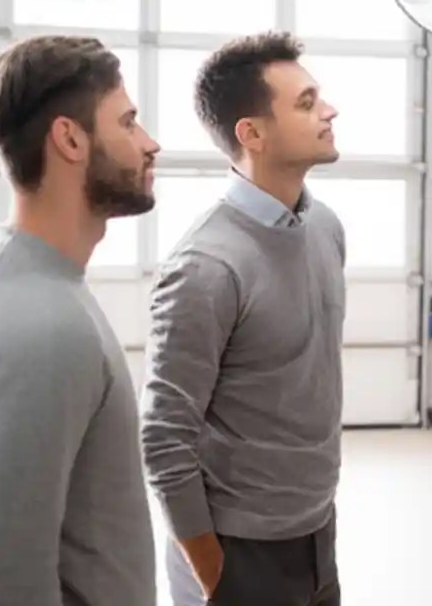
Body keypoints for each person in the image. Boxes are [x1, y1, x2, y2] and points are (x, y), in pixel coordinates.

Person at [0, 36, 159, 605]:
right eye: (128, 123)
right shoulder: (45, 327)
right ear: (70, 139)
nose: (150, 144)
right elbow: (5, 588)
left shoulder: (20, 279)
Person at [140, 31, 346, 606]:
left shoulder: (325, 228)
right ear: (250, 133)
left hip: (316, 532)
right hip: (238, 548)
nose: (329, 110)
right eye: (306, 103)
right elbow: (163, 437)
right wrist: (215, 576)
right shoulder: (207, 265)